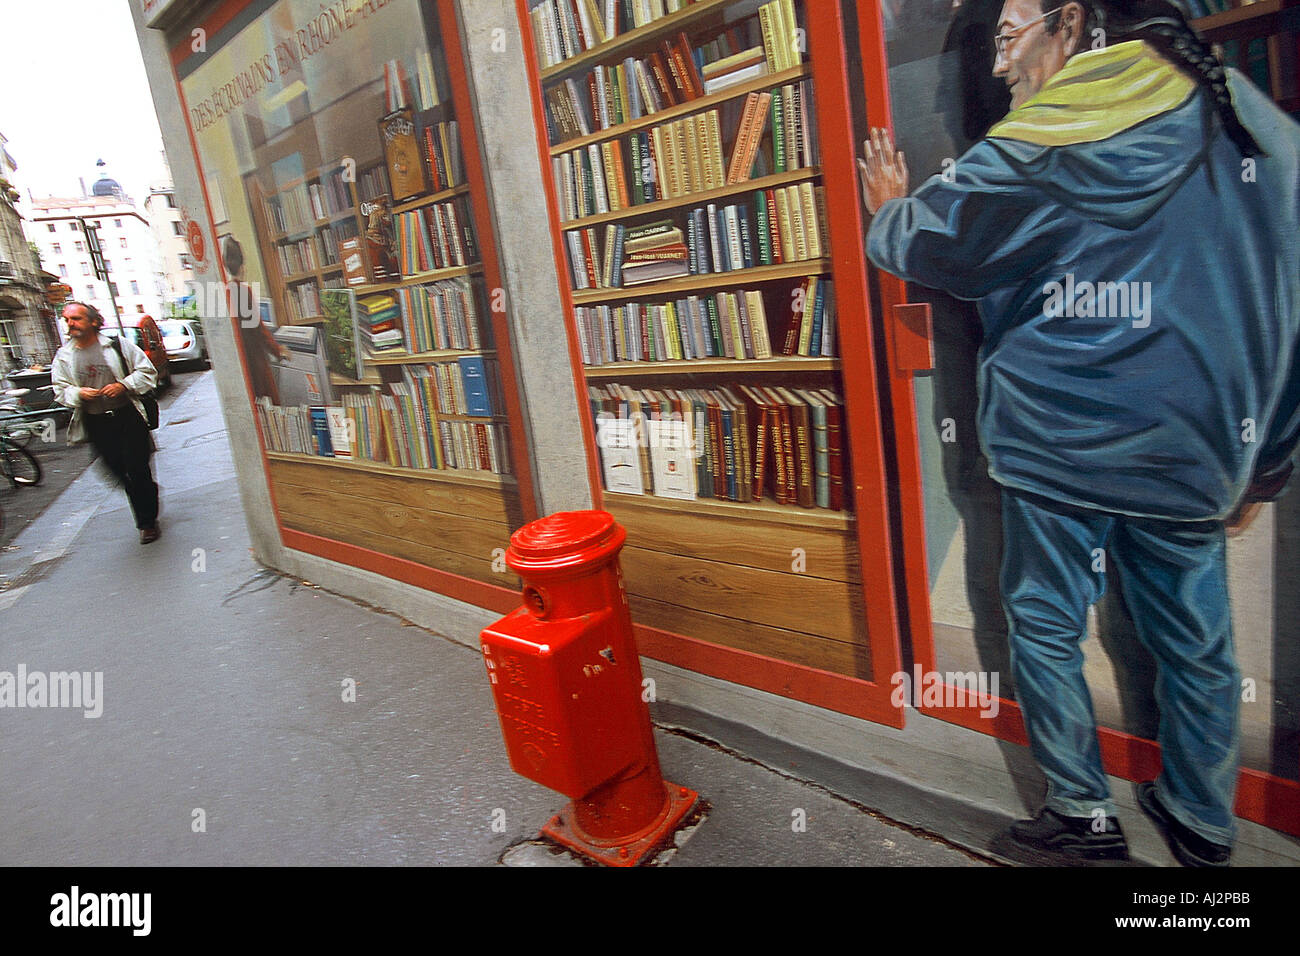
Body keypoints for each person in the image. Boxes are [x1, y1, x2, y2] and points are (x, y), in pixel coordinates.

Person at [859, 0, 1300, 865]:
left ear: (1072, 21)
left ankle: (1081, 815)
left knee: (1043, 622)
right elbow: (1289, 301)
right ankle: (1205, 824)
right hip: (1194, 447)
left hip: (1057, 438)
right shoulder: (1250, 120)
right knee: (1199, 646)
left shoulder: (1047, 132)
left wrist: (887, 211)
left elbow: (937, 243)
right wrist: (1267, 464)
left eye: (1009, 34)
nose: (997, 68)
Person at [52, 301, 162, 544]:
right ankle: (145, 492)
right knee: (116, 470)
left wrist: (123, 385)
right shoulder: (65, 356)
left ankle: (147, 523)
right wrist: (79, 394)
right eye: (67, 319)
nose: (70, 324)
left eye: (76, 319)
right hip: (96, 423)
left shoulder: (116, 345)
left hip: (126, 417)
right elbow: (60, 390)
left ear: (93, 321)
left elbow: (147, 371)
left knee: (136, 468)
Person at [221, 235, 288, 403]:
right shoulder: (243, 291)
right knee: (268, 406)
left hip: (239, 366)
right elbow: (258, 330)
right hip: (255, 361)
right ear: (242, 266)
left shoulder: (225, 292)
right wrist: (279, 350)